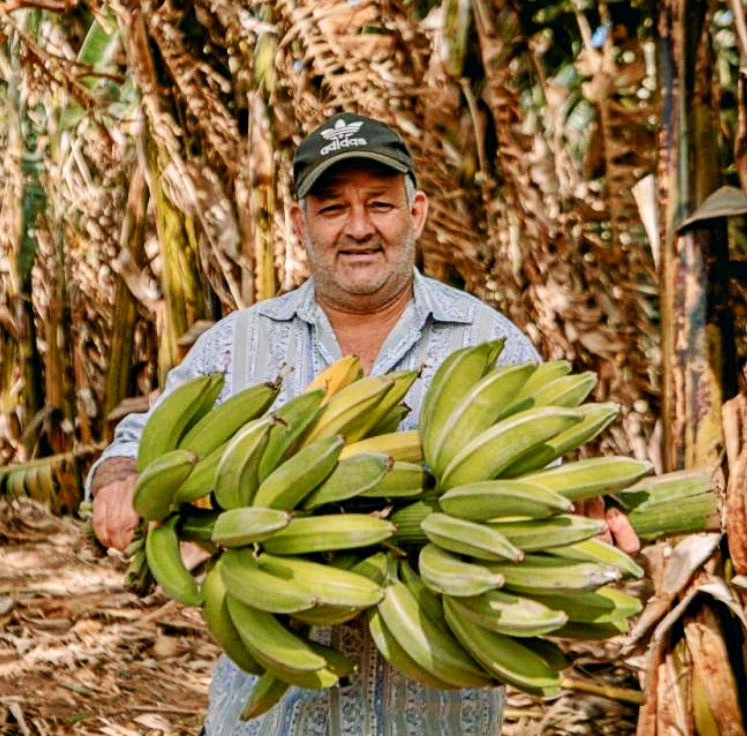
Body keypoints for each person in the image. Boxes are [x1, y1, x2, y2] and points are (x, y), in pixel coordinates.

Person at [87, 112, 636, 734]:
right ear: (299, 224)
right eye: (331, 208)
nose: (358, 228)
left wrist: (584, 508)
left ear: (417, 212)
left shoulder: (489, 343)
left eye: (380, 204)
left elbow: (543, 475)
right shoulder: (237, 346)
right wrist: (122, 477)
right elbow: (142, 441)